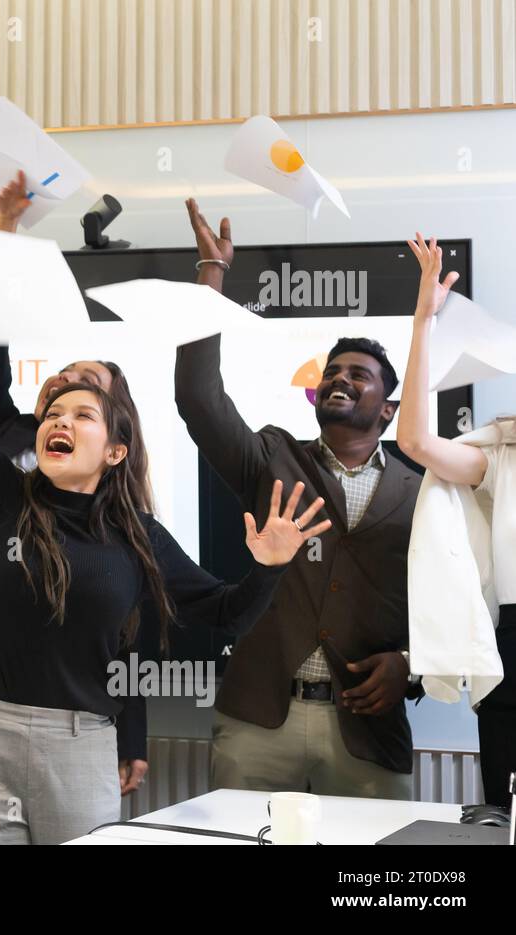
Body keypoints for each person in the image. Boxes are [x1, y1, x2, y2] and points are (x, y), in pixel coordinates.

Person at [0, 190, 328, 843]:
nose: (59, 421)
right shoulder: (1, 490)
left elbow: (226, 614)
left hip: (82, 747)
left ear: (116, 447)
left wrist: (268, 565)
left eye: (82, 413)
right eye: (52, 413)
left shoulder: (137, 535)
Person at [0, 170, 157, 794]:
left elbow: (130, 634)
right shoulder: (7, 434)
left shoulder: (122, 514)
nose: (66, 385)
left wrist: (131, 733)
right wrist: (5, 233)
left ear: (115, 434)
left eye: (88, 388)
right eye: (62, 379)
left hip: (75, 694)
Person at [179, 197, 426, 799]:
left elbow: (452, 603)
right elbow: (198, 397)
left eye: (358, 375)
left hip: (367, 729)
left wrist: (410, 667)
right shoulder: (272, 457)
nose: (340, 377)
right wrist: (212, 276)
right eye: (334, 370)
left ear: (389, 410)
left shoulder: (424, 493)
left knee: (370, 890)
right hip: (259, 718)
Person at [399, 233, 515, 808]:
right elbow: (416, 440)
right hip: (512, 649)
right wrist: (423, 321)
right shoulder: (503, 455)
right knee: (502, 814)